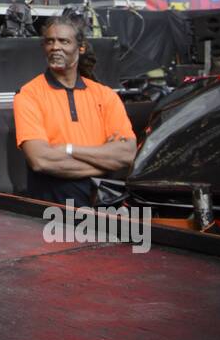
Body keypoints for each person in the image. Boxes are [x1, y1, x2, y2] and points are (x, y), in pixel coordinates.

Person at [13, 14, 136, 205]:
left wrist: (67, 149)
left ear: (81, 47)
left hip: (103, 207)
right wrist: (104, 162)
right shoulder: (29, 94)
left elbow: (127, 154)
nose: (55, 47)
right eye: (49, 41)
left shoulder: (105, 95)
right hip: (52, 212)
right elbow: (41, 160)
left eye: (64, 41)